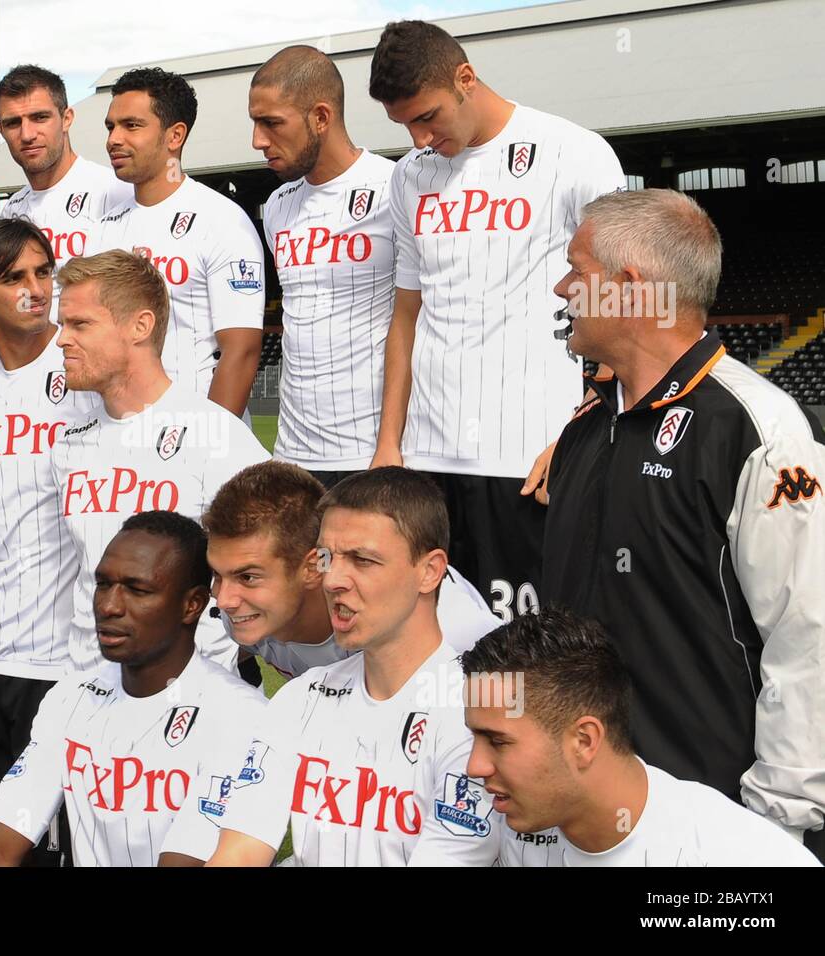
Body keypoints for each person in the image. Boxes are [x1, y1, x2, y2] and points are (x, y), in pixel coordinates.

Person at [542, 188, 825, 851]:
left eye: (575, 270)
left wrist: (774, 823)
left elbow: (808, 635)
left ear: (630, 287)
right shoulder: (584, 429)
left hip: (716, 820)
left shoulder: (759, 429)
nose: (560, 287)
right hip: (589, 811)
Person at [367, 20, 625, 622]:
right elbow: (407, 313)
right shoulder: (409, 176)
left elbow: (621, 295)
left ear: (465, 79)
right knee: (439, 647)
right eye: (405, 125)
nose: (421, 137)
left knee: (539, 656)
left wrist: (582, 430)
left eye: (428, 117)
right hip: (429, 463)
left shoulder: (574, 152)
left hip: (530, 456)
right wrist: (388, 443)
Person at [205, 468, 499, 866]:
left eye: (362, 559)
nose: (332, 580)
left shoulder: (483, 709)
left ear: (430, 571)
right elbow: (239, 851)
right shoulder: (299, 698)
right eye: (327, 557)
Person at [0, 512, 264, 867]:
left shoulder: (240, 717)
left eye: (137, 590)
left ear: (192, 604)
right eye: (103, 584)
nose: (108, 606)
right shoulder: (71, 698)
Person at [461, 609, 819, 866]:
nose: (474, 767)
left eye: (498, 742)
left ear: (584, 742)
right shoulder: (514, 830)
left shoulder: (737, 856)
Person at [51, 250, 269, 673]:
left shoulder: (216, 435)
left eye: (80, 324)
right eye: (62, 325)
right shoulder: (68, 445)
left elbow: (274, 569)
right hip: (87, 696)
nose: (61, 339)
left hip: (190, 705)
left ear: (140, 326)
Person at [0, 218, 93, 860]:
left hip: (67, 660)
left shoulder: (85, 377)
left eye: (44, 272)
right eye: (14, 278)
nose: (36, 290)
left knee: (62, 848)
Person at [249, 46, 397, 488]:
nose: (257, 140)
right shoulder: (277, 206)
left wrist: (390, 443)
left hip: (374, 449)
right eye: (254, 123)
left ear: (320, 116)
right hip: (293, 453)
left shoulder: (395, 189)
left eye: (272, 123)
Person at [203, 460, 498, 679]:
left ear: (311, 568)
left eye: (248, 577)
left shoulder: (450, 633)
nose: (225, 600)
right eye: (217, 575)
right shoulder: (245, 616)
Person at [95, 68, 263, 417]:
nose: (114, 138)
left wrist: (209, 448)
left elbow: (241, 351)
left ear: (175, 136)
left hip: (194, 435)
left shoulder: (222, 220)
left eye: (132, 125)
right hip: (121, 433)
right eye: (111, 127)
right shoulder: (105, 226)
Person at [0, 64, 132, 320]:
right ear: (1, 131)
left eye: (40, 118)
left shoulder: (115, 191)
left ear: (66, 119)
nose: (27, 134)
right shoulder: (12, 209)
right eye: (13, 123)